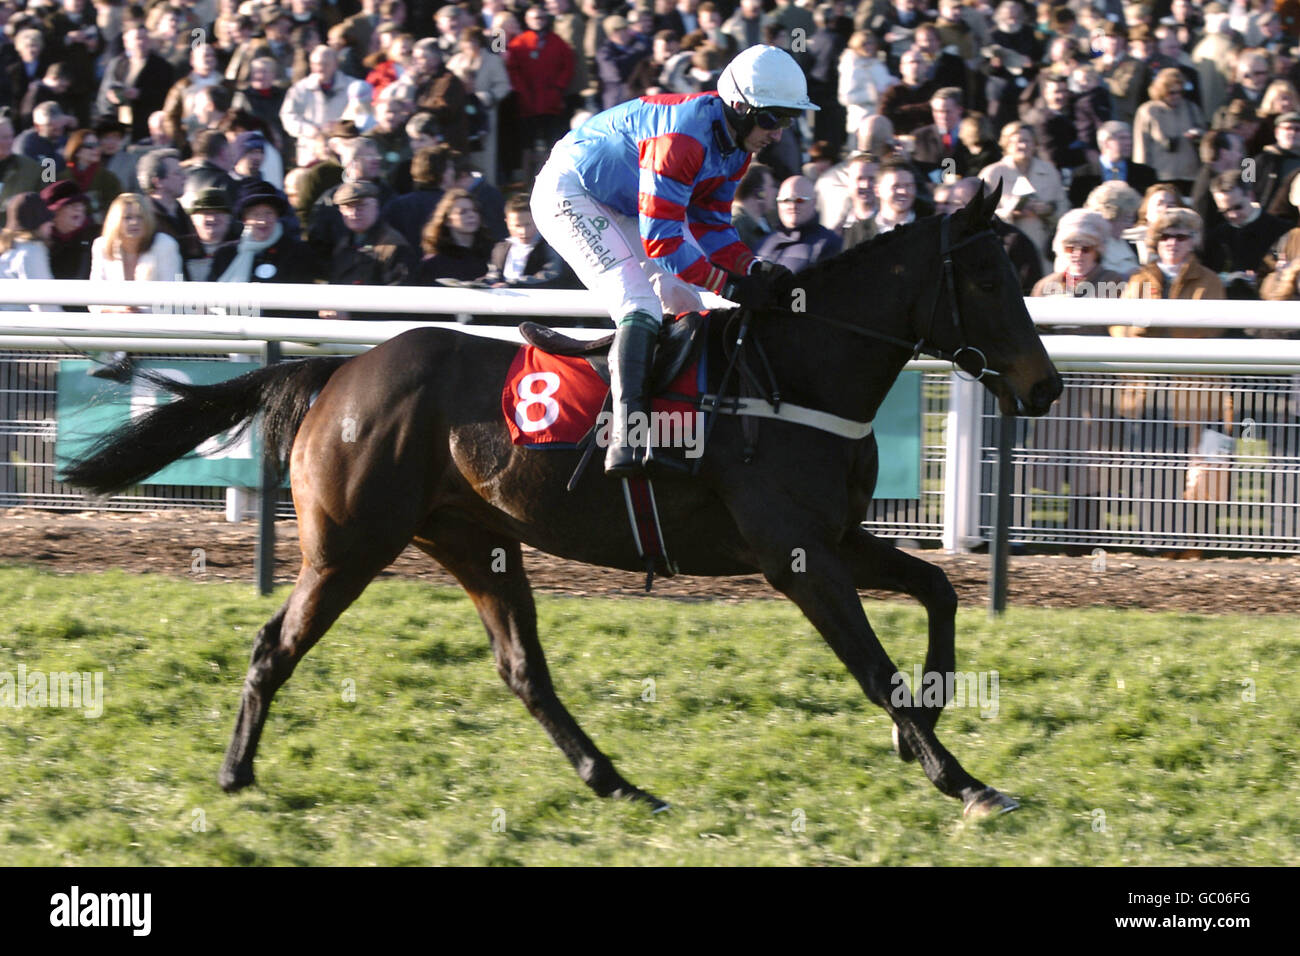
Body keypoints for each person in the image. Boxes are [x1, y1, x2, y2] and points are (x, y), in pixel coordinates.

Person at [531, 44, 808, 475]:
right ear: (739, 106)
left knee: (686, 301)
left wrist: (753, 268)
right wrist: (731, 285)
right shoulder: (683, 138)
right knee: (638, 302)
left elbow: (712, 226)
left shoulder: (738, 147)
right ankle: (627, 435)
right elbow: (662, 242)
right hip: (571, 191)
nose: (778, 133)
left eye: (787, 120)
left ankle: (679, 426)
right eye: (772, 118)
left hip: (622, 202)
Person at [87, 193, 185, 381]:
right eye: (127, 217)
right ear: (116, 221)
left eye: (140, 217)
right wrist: (117, 310)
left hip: (159, 331)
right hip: (115, 329)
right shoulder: (101, 246)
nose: (134, 223)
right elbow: (93, 299)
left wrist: (140, 313)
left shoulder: (165, 245)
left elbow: (173, 298)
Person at [979, 121, 1068, 272]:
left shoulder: (1049, 170)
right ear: (1006, 144)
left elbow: (1064, 206)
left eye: (1027, 141)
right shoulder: (992, 173)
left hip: (1044, 248)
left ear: (1035, 144)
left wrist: (1049, 209)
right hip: (1006, 248)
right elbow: (979, 214)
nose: (1022, 146)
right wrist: (1010, 212)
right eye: (1016, 142)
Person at [210, 181, 319, 287]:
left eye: (269, 213)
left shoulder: (296, 252)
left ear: (277, 216)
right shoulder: (226, 253)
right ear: (245, 219)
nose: (263, 221)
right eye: (255, 214)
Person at [1205, 169, 1291, 298]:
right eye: (1225, 211)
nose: (1232, 215)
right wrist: (1226, 278)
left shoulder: (1281, 230)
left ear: (1250, 196)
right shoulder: (1217, 236)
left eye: (1238, 207)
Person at [328, 179, 416, 287]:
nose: (354, 213)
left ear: (375, 206)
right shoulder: (343, 243)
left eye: (361, 206)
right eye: (347, 206)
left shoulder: (393, 246)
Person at [1132, 67, 1206, 191]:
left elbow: (1204, 135)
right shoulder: (1148, 110)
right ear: (1161, 91)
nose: (1176, 96)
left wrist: (1198, 135)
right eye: (1171, 93)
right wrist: (1143, 174)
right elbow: (1141, 145)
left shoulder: (1191, 108)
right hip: (1161, 173)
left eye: (1180, 92)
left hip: (1189, 173)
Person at [1032, 209, 1128, 300]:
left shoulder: (1112, 281)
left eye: (1085, 249)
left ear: (1097, 251)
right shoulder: (1045, 284)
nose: (1077, 254)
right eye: (1070, 248)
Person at [483, 192, 573, 288]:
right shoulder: (501, 248)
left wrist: (514, 284)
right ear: (507, 223)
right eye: (517, 225)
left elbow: (551, 275)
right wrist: (484, 283)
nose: (523, 231)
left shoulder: (551, 246)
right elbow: (493, 275)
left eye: (528, 224)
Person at [755, 174, 842, 271]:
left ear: (814, 202)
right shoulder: (764, 242)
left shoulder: (828, 244)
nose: (792, 206)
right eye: (786, 200)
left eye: (799, 200)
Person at [1067, 121, 1157, 208]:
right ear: (1106, 143)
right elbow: (1077, 205)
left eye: (1129, 138)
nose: (1129, 143)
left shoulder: (1145, 173)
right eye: (1122, 138)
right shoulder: (1082, 174)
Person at [412, 187, 492, 284]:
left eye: (474, 210)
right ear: (447, 220)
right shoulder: (433, 264)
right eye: (463, 212)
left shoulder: (492, 255)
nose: (471, 215)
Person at [0, 193, 59, 311]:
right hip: (23, 326)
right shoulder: (32, 250)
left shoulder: (7, 249)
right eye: (46, 219)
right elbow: (44, 305)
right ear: (35, 222)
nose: (51, 223)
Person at [59, 129, 122, 226]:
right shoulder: (62, 178)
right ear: (76, 151)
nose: (96, 150)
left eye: (97, 145)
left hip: (99, 231)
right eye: (90, 146)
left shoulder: (108, 178)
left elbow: (117, 207)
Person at [40, 180, 94, 282]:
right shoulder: (40, 243)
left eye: (81, 204)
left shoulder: (93, 237)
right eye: (72, 204)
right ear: (54, 212)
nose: (79, 208)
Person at [183, 188, 235, 281]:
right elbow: (176, 277)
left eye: (218, 213)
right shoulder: (182, 249)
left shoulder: (240, 249)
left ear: (229, 219)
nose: (212, 218)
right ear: (193, 219)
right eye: (205, 213)